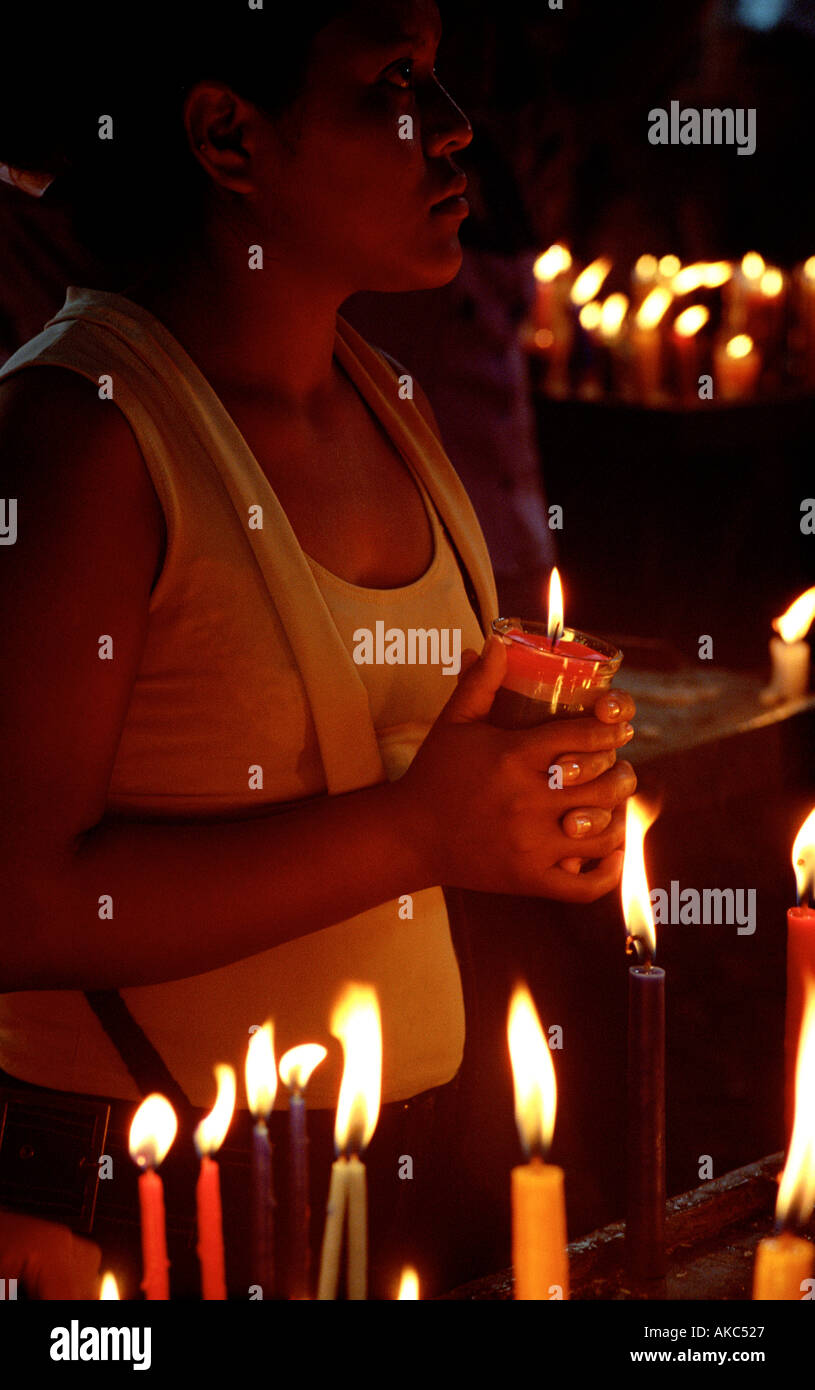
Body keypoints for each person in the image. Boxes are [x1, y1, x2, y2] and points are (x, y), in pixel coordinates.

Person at [0, 0, 636, 1298]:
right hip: (145, 1215)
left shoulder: (377, 396)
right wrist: (417, 830)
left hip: (384, 1180)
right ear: (228, 134)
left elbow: (375, 785)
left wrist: (524, 800)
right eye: (395, 82)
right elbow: (14, 899)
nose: (457, 133)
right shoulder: (86, 434)